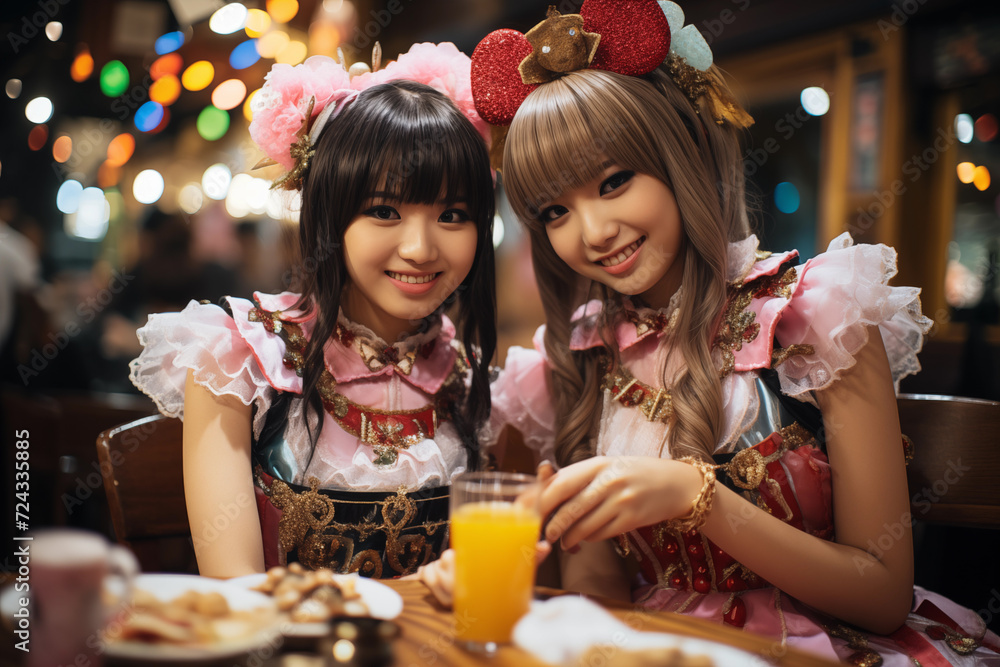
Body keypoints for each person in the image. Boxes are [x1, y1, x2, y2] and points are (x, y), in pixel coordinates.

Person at [452, 1, 1000, 664]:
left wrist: (698, 497)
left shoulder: (816, 314)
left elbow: (882, 594)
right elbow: (598, 589)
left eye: (616, 180)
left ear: (682, 157)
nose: (593, 231)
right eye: (555, 210)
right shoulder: (578, 355)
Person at [129, 43, 497, 579]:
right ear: (328, 218)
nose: (420, 248)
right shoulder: (241, 360)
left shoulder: (468, 373)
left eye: (453, 214)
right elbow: (237, 594)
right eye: (384, 210)